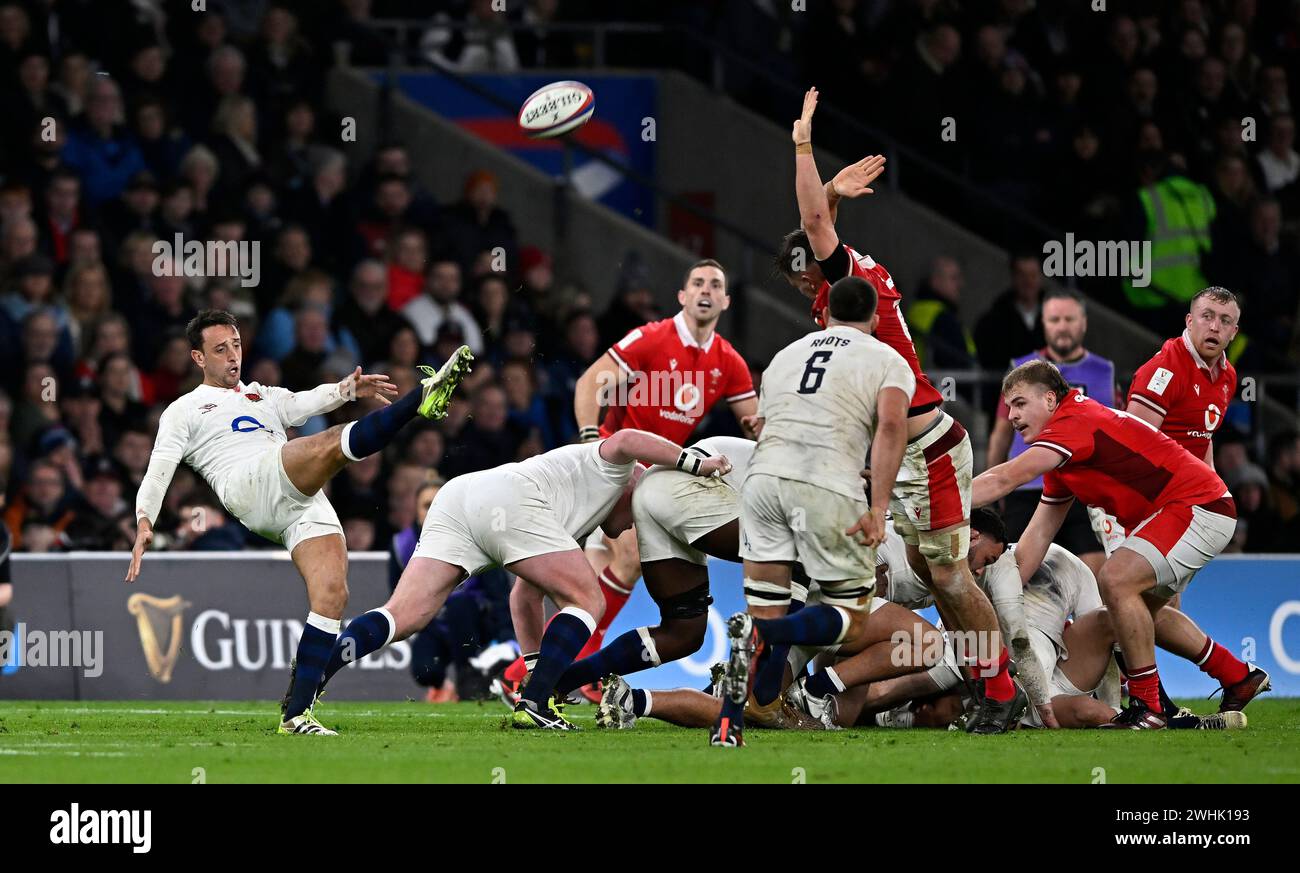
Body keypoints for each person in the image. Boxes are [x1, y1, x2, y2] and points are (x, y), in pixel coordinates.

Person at [775, 88, 1021, 733]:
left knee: (950, 575)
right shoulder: (847, 291)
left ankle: (1000, 691)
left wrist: (804, 146)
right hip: (905, 453)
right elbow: (817, 227)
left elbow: (815, 227)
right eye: (800, 282)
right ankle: (984, 683)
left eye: (806, 278)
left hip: (927, 447)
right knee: (932, 575)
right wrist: (828, 191)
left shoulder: (849, 283)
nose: (806, 289)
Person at [126, 309, 473, 735]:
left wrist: (349, 388)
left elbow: (305, 401)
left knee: (331, 594)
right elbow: (159, 468)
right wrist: (145, 519)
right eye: (220, 349)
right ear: (198, 358)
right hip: (248, 484)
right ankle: (422, 399)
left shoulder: (262, 395)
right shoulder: (184, 410)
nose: (233, 356)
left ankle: (297, 714)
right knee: (329, 442)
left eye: (236, 345)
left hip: (296, 498)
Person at [314, 429, 732, 731]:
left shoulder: (577, 513)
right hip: (508, 496)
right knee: (589, 598)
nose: (629, 530)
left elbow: (523, 597)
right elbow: (624, 439)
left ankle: (317, 669)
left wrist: (535, 666)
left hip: (460, 494)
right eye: (640, 515)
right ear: (638, 487)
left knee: (405, 614)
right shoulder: (619, 472)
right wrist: (694, 462)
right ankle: (536, 704)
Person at [491, 258, 757, 703]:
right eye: (697, 283)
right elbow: (590, 382)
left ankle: (531, 673)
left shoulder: (727, 360)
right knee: (586, 564)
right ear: (683, 296)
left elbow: (753, 421)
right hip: (612, 466)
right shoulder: (654, 337)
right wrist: (591, 440)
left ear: (726, 300)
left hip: (655, 477)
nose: (706, 289)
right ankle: (549, 673)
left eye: (715, 283)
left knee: (580, 571)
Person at [971, 359, 1269, 728]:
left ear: (1050, 399)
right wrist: (992, 593)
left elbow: (1003, 478)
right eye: (1009, 407)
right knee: (1133, 614)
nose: (1012, 415)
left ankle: (1148, 707)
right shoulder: (1064, 454)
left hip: (1197, 506)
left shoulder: (1072, 422)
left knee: (1114, 580)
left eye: (1019, 403)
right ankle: (1238, 675)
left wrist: (936, 500)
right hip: (1187, 510)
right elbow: (1035, 542)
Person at [709, 273, 914, 748]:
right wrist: (879, 506)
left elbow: (764, 421)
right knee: (852, 615)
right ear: (877, 318)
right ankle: (766, 634)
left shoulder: (786, 355)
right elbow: (890, 427)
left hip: (762, 486)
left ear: (825, 314)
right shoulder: (888, 358)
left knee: (765, 607)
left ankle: (729, 722)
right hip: (826, 486)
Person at [986, 289, 1115, 577]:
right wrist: (995, 495)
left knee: (1099, 577)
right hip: (1028, 487)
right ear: (1044, 323)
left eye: (1069, 319)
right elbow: (1001, 432)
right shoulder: (1019, 369)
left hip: (1084, 489)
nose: (1062, 326)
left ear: (1083, 323)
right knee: (1013, 572)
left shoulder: (1105, 371)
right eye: (1054, 319)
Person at [1127, 286, 1239, 469]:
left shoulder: (1228, 376)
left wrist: (1210, 480)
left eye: (1225, 321)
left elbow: (1203, 436)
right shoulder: (1164, 369)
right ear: (1189, 321)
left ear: (1234, 332)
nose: (1215, 327)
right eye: (1207, 316)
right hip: (1151, 484)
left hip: (1186, 485)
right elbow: (1132, 447)